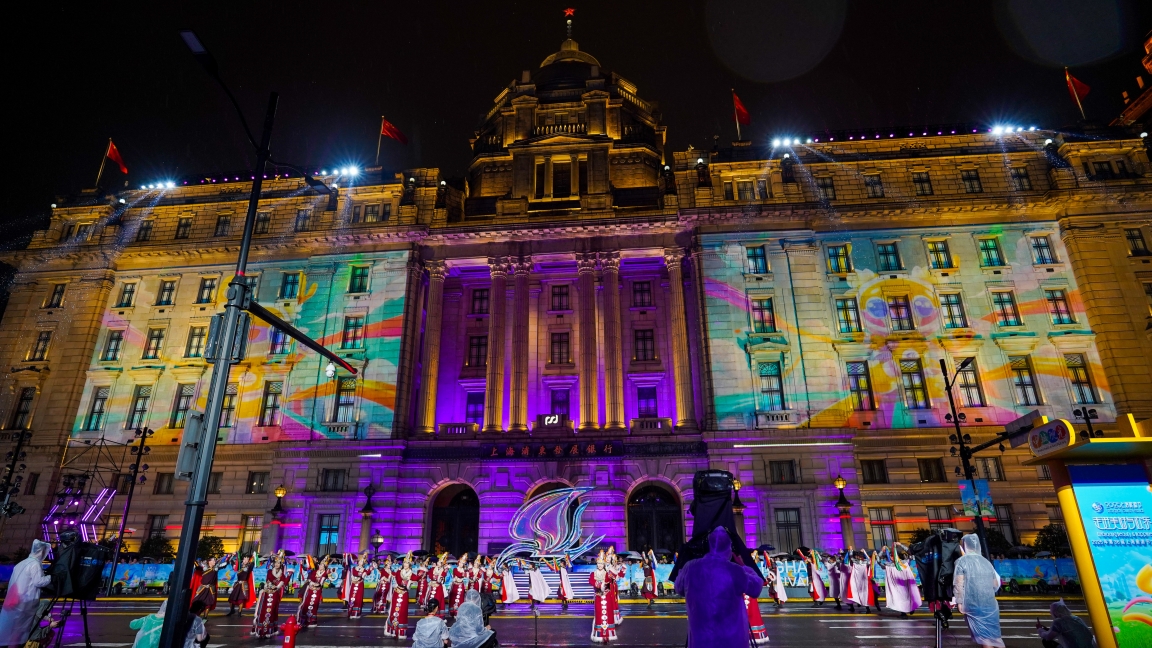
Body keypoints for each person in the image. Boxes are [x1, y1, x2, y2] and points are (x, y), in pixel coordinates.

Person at [675, 527, 765, 648]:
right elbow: (756, 588)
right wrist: (744, 567)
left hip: (700, 641)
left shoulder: (690, 567)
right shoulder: (735, 570)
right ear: (729, 548)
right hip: (732, 641)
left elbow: (679, 588)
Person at [953, 533, 1004, 648]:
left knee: (984, 639)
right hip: (990, 604)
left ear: (965, 546)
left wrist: (959, 602)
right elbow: (995, 584)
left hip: (973, 603)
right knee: (993, 637)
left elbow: (958, 584)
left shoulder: (961, 561)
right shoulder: (986, 562)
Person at [0, 539, 52, 648]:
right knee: (19, 632)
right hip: (25, 602)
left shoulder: (22, 563)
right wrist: (51, 577)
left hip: (15, 600)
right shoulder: (35, 564)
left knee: (13, 630)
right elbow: (39, 582)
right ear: (41, 551)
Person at [252, 551, 288, 639]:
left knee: (271, 611)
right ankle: (261, 629)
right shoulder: (269, 572)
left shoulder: (282, 575)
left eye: (278, 563)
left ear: (281, 565)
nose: (277, 564)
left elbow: (281, 583)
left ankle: (270, 630)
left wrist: (277, 586)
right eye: (276, 563)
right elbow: (269, 580)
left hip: (275, 594)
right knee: (263, 610)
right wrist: (274, 584)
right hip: (266, 593)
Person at [883, 547, 921, 618]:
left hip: (906, 584)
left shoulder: (904, 562)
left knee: (908, 597)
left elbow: (910, 553)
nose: (891, 557)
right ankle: (903, 613)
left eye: (892, 555)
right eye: (890, 556)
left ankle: (911, 608)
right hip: (897, 586)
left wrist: (900, 545)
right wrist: (881, 551)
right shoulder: (889, 565)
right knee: (899, 597)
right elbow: (879, 562)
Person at [383, 553, 414, 640]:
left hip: (404, 594)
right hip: (397, 592)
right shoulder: (399, 571)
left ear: (410, 564)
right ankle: (392, 630)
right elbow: (399, 580)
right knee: (394, 611)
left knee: (403, 611)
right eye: (404, 563)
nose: (405, 564)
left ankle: (401, 631)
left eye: (407, 563)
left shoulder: (411, 573)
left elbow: (416, 577)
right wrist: (407, 581)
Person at [589, 553, 618, 643]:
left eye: (602, 564)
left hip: (607, 597)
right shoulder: (593, 574)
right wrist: (600, 584)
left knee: (608, 615)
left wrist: (612, 569)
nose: (600, 565)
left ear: (604, 564)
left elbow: (614, 577)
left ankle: (608, 635)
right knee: (599, 615)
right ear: (597, 564)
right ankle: (599, 635)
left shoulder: (607, 573)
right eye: (599, 563)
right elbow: (591, 581)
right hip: (598, 597)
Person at [296, 555, 329, 628]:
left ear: (324, 567)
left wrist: (315, 583)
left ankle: (312, 621)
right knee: (306, 603)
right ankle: (303, 621)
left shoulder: (325, 573)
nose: (320, 566)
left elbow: (321, 582)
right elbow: (311, 579)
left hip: (317, 591)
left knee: (314, 605)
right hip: (310, 589)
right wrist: (313, 583)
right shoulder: (314, 571)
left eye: (322, 565)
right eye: (320, 565)